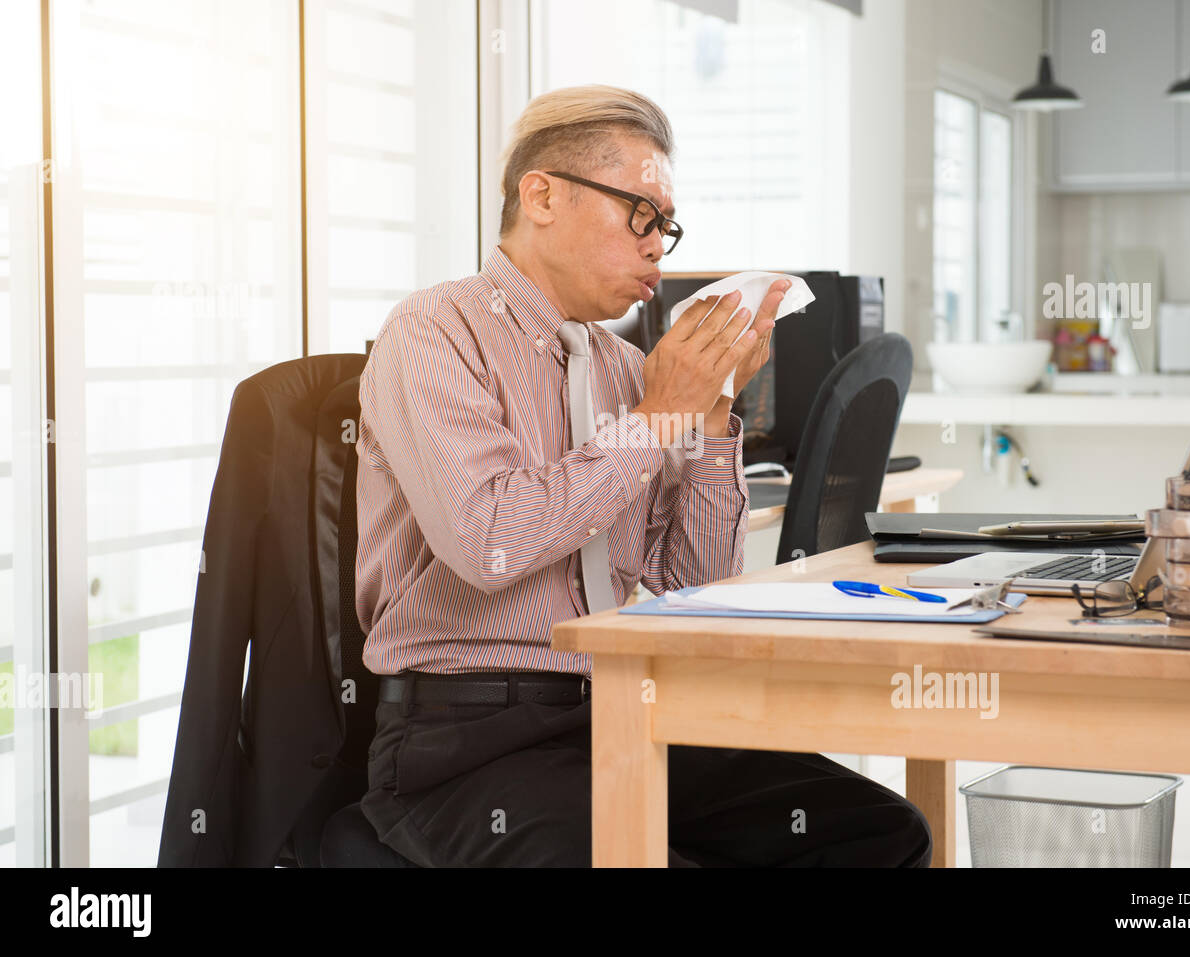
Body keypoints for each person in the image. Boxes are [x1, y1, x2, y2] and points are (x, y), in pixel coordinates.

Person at [355, 84, 932, 867]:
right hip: (470, 741)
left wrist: (706, 418)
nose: (660, 246)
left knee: (883, 831)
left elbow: (691, 587)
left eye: (666, 224)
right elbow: (487, 540)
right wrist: (657, 420)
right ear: (543, 195)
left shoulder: (634, 372)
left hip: (624, 712)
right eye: (641, 215)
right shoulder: (435, 330)